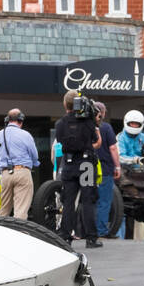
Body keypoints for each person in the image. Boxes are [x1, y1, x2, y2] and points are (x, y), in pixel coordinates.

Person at [53, 92, 102, 247]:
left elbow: (60, 140)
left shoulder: (60, 124)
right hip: (85, 164)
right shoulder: (88, 122)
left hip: (68, 163)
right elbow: (95, 140)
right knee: (87, 200)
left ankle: (66, 236)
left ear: (65, 104)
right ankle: (91, 238)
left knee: (68, 201)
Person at [0, 109, 40, 219]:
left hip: (5, 174)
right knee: (21, 210)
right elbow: (35, 155)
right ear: (21, 120)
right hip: (22, 171)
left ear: (7, 120)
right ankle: (19, 234)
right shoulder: (26, 135)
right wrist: (34, 163)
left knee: (3, 209)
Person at [93, 101, 122, 240]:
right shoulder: (106, 127)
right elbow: (113, 148)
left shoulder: (85, 126)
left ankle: (86, 230)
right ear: (103, 113)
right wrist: (117, 166)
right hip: (104, 169)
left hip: (85, 169)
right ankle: (101, 231)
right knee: (104, 201)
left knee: (87, 201)